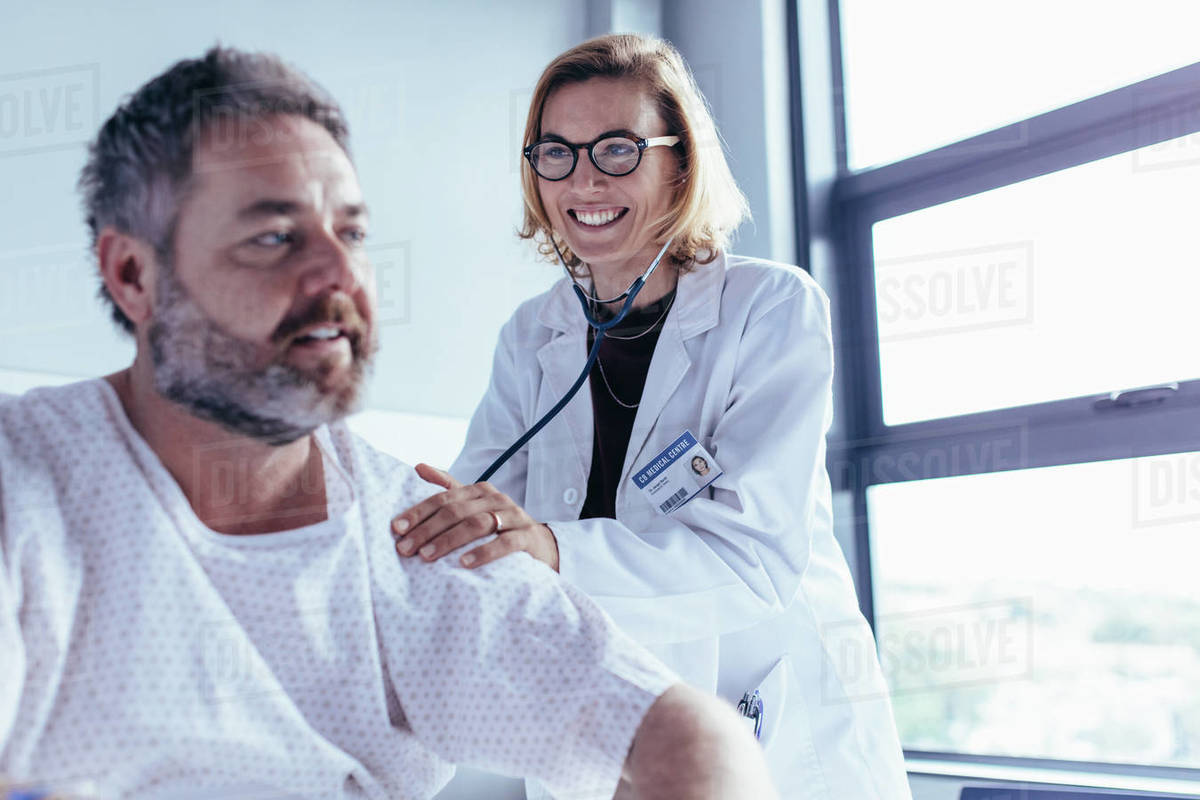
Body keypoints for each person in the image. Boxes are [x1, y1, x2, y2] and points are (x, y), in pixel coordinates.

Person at [0, 46, 778, 800]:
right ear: (133, 274)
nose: (340, 274)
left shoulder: (402, 536)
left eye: (352, 233)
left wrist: (538, 546)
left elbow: (688, 734)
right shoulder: (25, 482)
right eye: (274, 236)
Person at [390, 34, 912, 799]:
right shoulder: (532, 336)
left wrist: (550, 550)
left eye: (617, 149)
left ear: (680, 164)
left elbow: (752, 558)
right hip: (602, 730)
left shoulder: (769, 309)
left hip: (771, 729)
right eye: (556, 153)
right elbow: (481, 522)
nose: (584, 179)